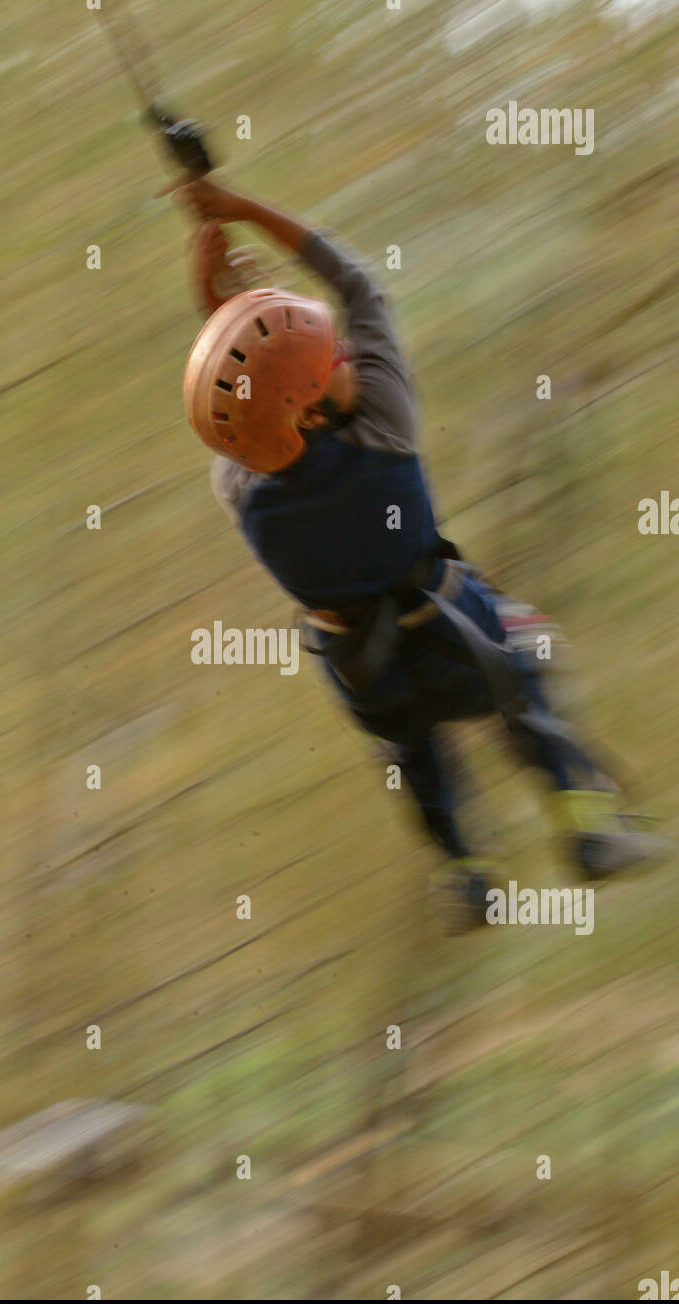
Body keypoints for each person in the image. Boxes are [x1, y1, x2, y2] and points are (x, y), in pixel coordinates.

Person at [177, 179, 669, 926]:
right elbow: (357, 283)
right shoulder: (382, 419)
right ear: (312, 401)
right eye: (330, 354)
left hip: (362, 673)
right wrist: (243, 210)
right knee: (527, 653)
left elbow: (244, 402)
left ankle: (467, 878)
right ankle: (586, 826)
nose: (343, 351)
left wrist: (213, 295)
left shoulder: (239, 487)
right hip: (453, 634)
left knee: (411, 754)